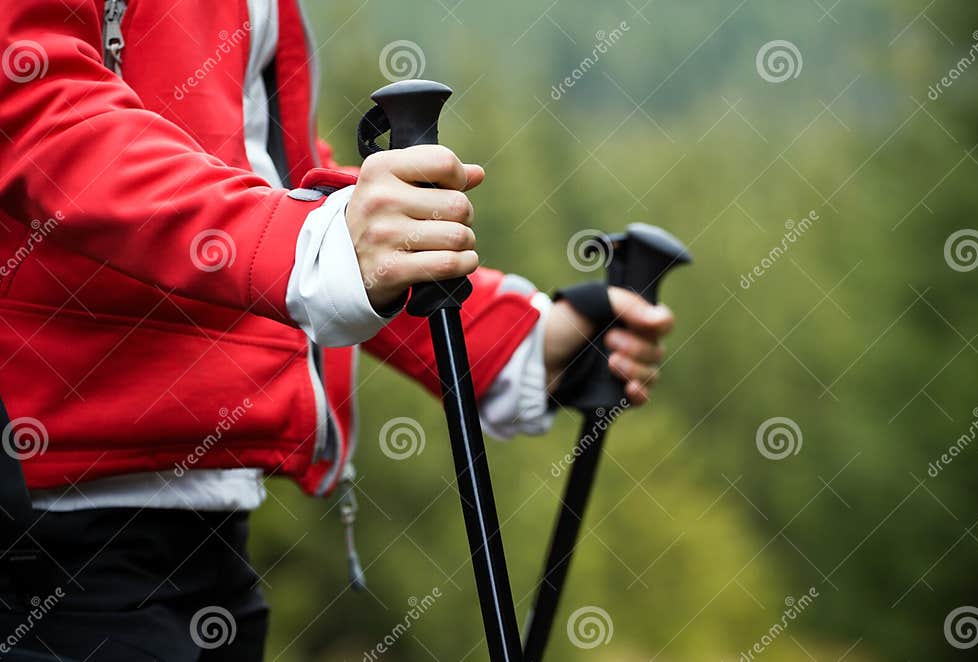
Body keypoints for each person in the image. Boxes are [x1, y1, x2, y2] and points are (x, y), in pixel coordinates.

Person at [0, 1, 674, 659]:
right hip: (44, 538)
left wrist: (513, 342)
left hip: (202, 537)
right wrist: (304, 242)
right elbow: (36, 105)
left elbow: (274, 186)